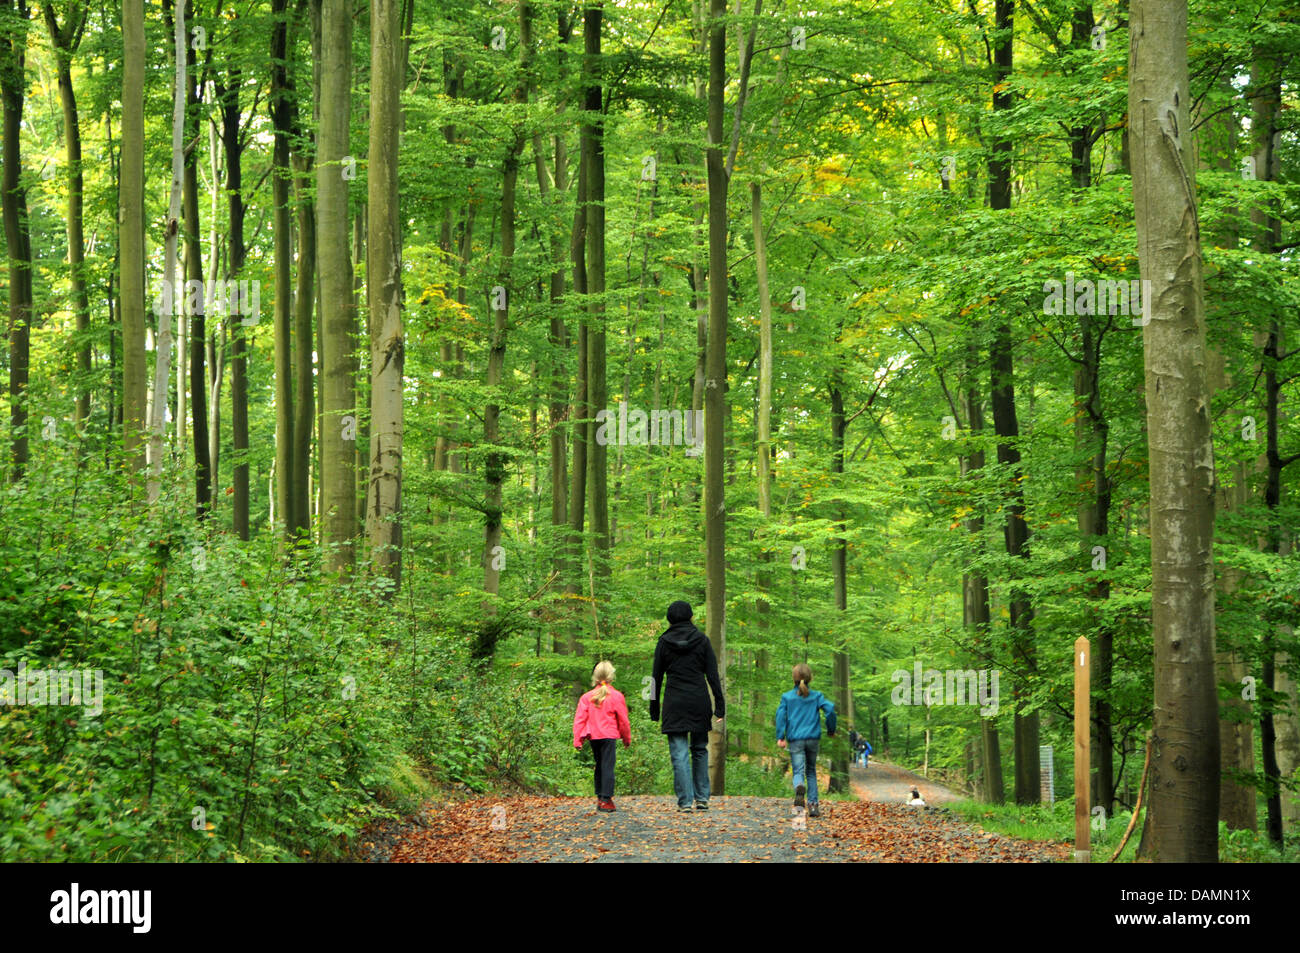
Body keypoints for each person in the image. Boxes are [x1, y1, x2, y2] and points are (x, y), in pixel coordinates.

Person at [649, 601, 725, 812]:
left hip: (674, 703)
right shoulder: (702, 640)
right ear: (691, 617)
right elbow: (712, 675)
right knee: (699, 749)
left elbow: (655, 678)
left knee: (679, 754)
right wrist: (720, 706)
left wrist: (653, 709)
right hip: (698, 702)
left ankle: (684, 802)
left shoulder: (663, 642)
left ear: (669, 619)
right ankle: (702, 798)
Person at [775, 662, 836, 818]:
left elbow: (781, 716)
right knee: (811, 771)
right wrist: (831, 729)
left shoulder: (787, 697)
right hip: (813, 738)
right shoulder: (816, 696)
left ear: (793, 678)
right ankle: (814, 806)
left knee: (798, 771)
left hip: (796, 739)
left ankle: (799, 786)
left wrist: (780, 737)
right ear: (810, 678)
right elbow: (830, 710)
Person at [573, 660, 631, 812]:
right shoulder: (617, 696)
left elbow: (580, 719)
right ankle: (606, 798)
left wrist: (577, 739)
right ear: (611, 676)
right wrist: (626, 738)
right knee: (607, 766)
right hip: (609, 735)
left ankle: (600, 797)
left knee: (599, 765)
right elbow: (623, 721)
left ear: (595, 676)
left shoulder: (587, 697)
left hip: (594, 736)